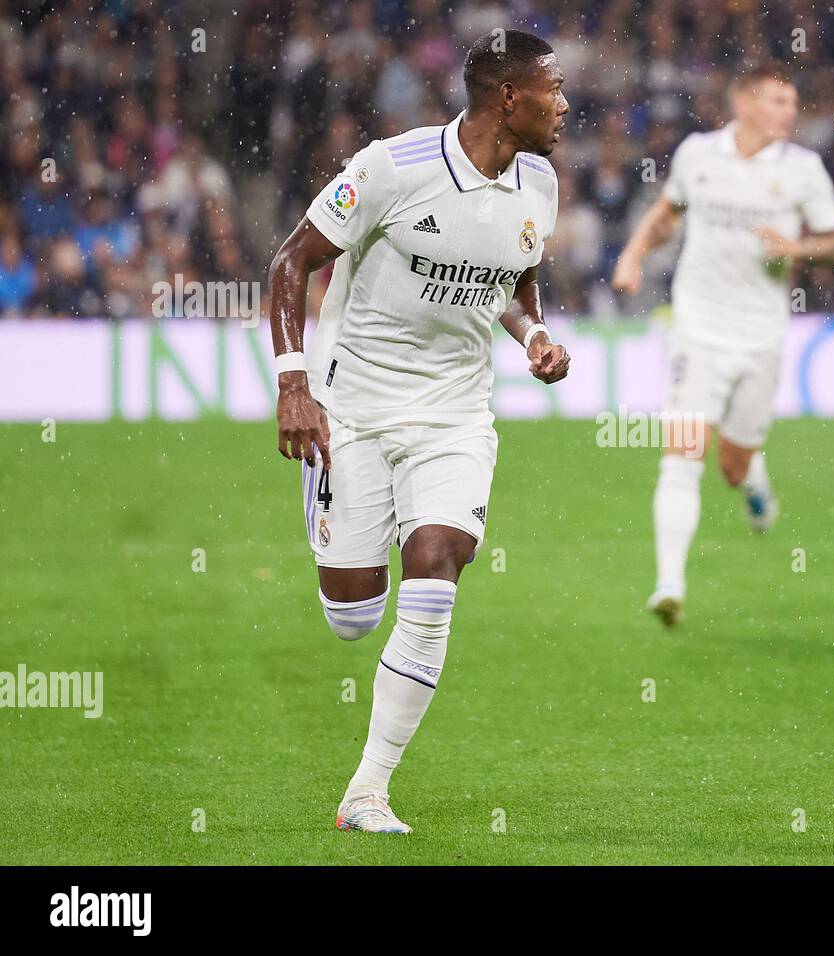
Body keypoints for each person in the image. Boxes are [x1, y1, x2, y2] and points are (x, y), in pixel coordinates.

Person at [266, 29, 570, 833]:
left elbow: (513, 280)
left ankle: (368, 790)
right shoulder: (390, 168)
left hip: (456, 416)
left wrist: (533, 335)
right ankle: (333, 517)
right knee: (352, 614)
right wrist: (293, 382)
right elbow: (289, 263)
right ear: (509, 98)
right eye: (554, 88)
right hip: (356, 410)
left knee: (437, 567)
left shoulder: (539, 180)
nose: (566, 104)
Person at [611, 65, 834, 627]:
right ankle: (669, 584)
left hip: (761, 336)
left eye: (793, 102)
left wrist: (797, 246)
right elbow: (668, 213)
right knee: (681, 458)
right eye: (778, 101)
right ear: (743, 102)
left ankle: (754, 480)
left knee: (733, 467)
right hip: (698, 331)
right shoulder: (698, 154)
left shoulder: (803, 169)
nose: (790, 112)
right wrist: (633, 255)